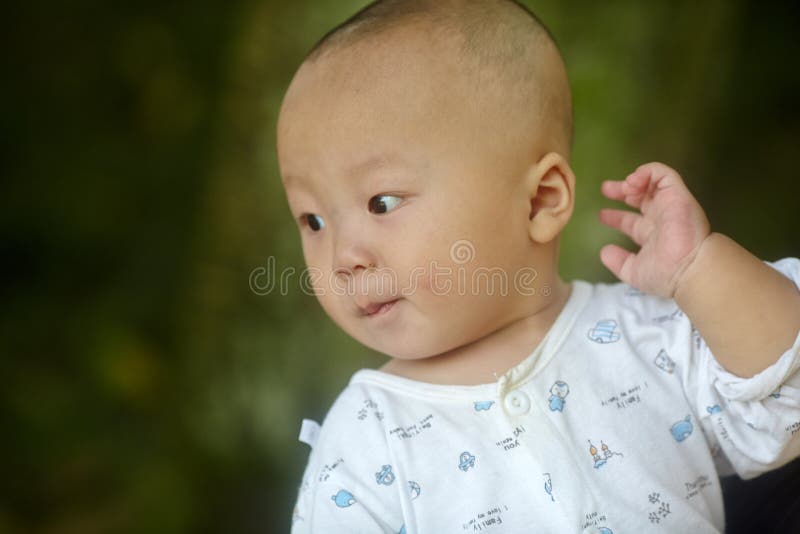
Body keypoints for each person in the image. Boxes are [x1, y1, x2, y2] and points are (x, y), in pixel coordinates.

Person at [276, 1, 800, 532]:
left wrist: (697, 269)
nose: (343, 257)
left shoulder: (645, 340)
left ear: (539, 201)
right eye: (313, 221)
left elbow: (787, 408)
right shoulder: (364, 439)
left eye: (381, 203)